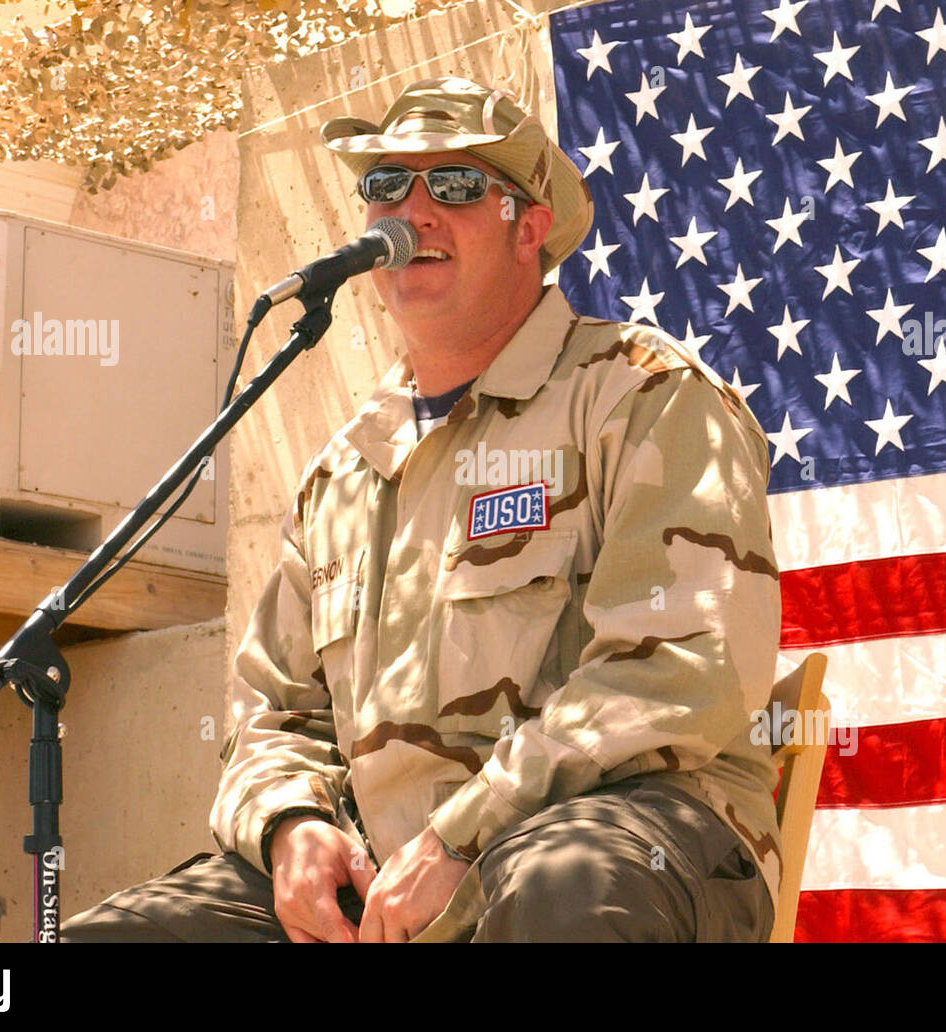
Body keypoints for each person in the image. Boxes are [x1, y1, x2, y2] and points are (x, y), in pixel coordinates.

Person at [62, 76, 783, 943]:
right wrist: (291, 827)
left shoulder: (640, 398)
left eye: (457, 186)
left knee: (564, 882)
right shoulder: (344, 473)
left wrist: (459, 835)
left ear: (532, 229)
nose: (415, 210)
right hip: (386, 884)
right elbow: (274, 714)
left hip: (619, 843)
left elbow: (679, 670)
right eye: (387, 186)